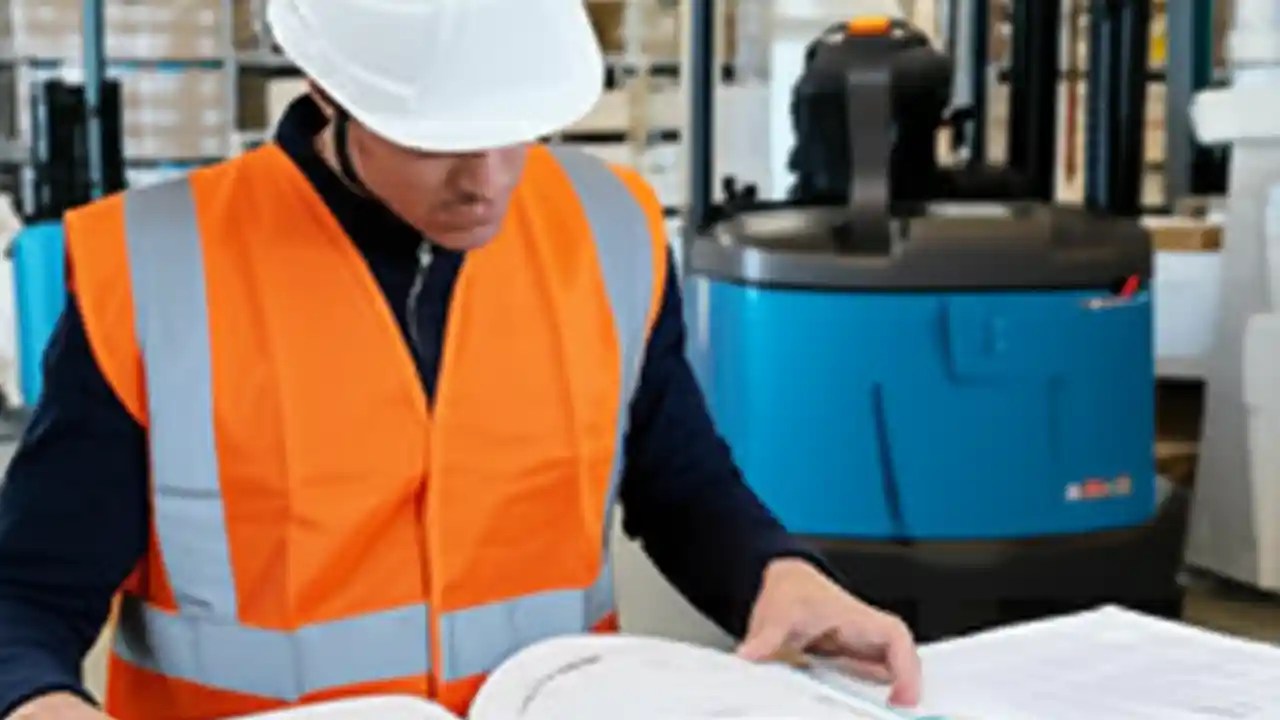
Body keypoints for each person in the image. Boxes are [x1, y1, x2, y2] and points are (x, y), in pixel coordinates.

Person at [0, 1, 921, 718]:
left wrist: (775, 569)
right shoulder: (161, 273)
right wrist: (39, 702)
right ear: (327, 89)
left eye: (518, 127)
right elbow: (28, 597)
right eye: (435, 138)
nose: (487, 179)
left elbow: (679, 483)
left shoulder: (610, 231)